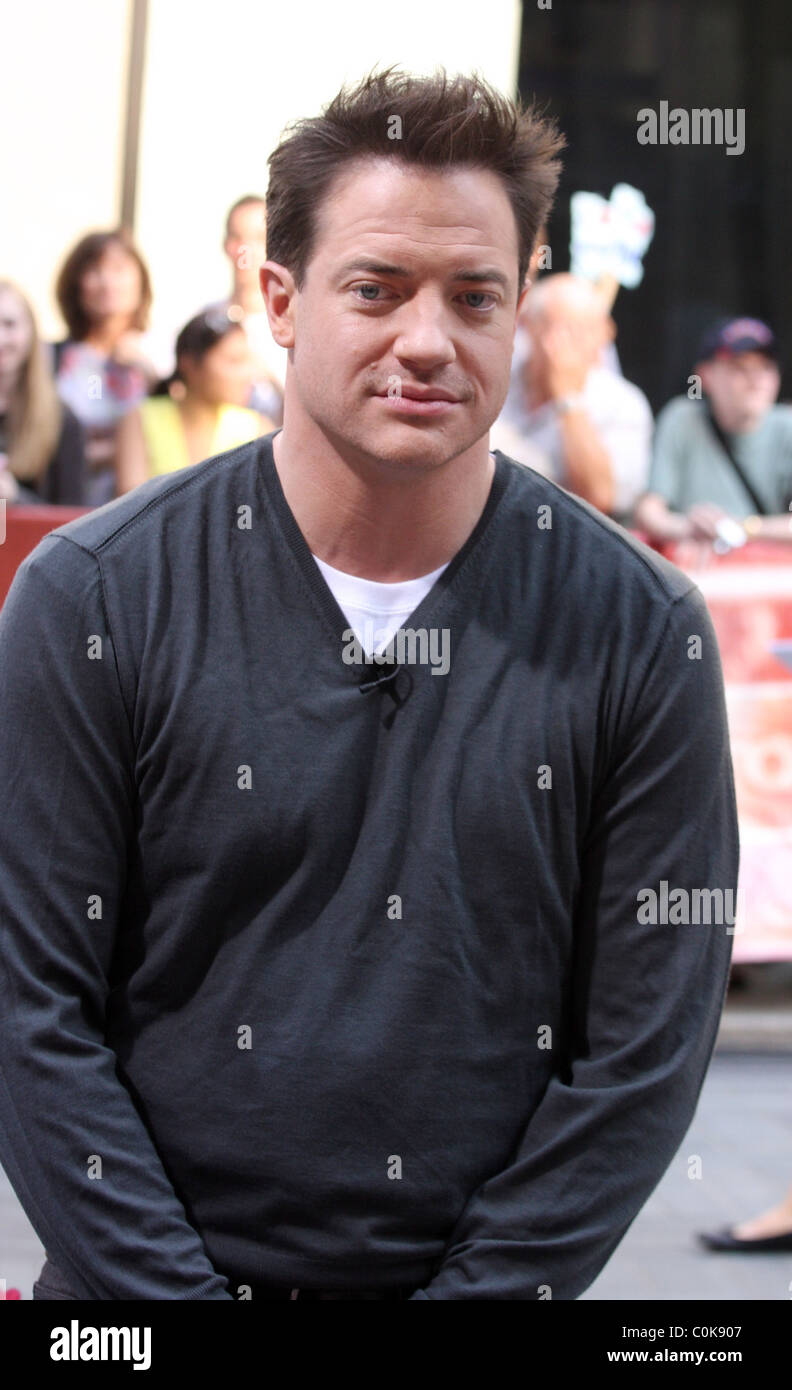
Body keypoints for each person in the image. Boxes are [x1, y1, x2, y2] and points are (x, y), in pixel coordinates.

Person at [0, 66, 738, 1302]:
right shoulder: (94, 600)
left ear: (519, 309)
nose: (427, 340)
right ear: (280, 301)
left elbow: (642, 1052)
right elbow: (28, 1011)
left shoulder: (640, 629)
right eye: (377, 289)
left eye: (474, 295)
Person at [489, 272, 652, 524]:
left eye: (581, 331)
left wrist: (568, 397)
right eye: (556, 328)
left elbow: (600, 497)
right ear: (528, 327)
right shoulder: (495, 378)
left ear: (605, 334)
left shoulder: (622, 402)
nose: (564, 345)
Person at [634, 318, 792, 545]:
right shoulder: (682, 418)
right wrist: (687, 527)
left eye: (766, 367)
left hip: (769, 575)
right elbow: (649, 510)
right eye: (740, 367)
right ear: (706, 375)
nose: (756, 379)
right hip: (697, 573)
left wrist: (742, 527)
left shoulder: (787, 427)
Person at [51, 229, 170, 508]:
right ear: (75, 284)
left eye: (118, 269)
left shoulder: (163, 355)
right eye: (94, 270)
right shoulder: (53, 358)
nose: (107, 282)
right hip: (69, 506)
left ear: (140, 280)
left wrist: (150, 373)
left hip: (143, 511)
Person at [115, 308, 271, 494]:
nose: (247, 374)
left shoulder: (257, 430)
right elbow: (132, 503)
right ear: (189, 364)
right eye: (233, 361)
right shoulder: (140, 419)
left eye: (247, 361)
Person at [201, 195, 288, 423]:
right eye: (237, 237)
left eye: (257, 239)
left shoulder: (295, 325)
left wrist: (262, 371)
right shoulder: (206, 322)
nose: (244, 250)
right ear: (225, 245)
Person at [0, 279, 87, 505]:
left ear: (31, 331)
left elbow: (73, 520)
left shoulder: (63, 421)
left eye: (9, 324)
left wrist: (15, 496)